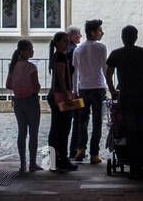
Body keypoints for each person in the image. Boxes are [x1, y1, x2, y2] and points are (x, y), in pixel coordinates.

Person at [105, 25, 143, 179]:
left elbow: (108, 72)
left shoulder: (117, 54)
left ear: (122, 37)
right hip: (142, 96)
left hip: (126, 97)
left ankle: (134, 166)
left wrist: (112, 89)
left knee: (131, 132)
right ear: (135, 37)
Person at [71, 18, 108, 163]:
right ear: (93, 32)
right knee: (97, 121)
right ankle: (94, 153)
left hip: (83, 89)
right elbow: (104, 69)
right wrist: (110, 86)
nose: (102, 32)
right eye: (100, 30)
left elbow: (74, 72)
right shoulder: (101, 48)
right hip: (98, 88)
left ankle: (81, 149)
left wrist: (74, 90)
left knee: (82, 121)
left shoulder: (78, 49)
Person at [6, 38, 40, 175]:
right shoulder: (31, 67)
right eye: (30, 49)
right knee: (33, 133)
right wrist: (32, 88)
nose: (32, 51)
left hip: (18, 101)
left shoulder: (12, 66)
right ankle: (32, 163)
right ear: (23, 51)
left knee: (22, 132)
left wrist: (18, 87)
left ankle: (22, 164)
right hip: (31, 100)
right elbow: (36, 86)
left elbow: (8, 85)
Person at [47, 30, 79, 173]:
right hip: (61, 95)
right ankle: (63, 160)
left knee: (56, 129)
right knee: (63, 129)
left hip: (57, 95)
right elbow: (61, 77)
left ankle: (55, 160)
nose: (67, 43)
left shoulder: (57, 56)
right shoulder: (60, 57)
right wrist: (68, 95)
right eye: (65, 41)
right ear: (58, 43)